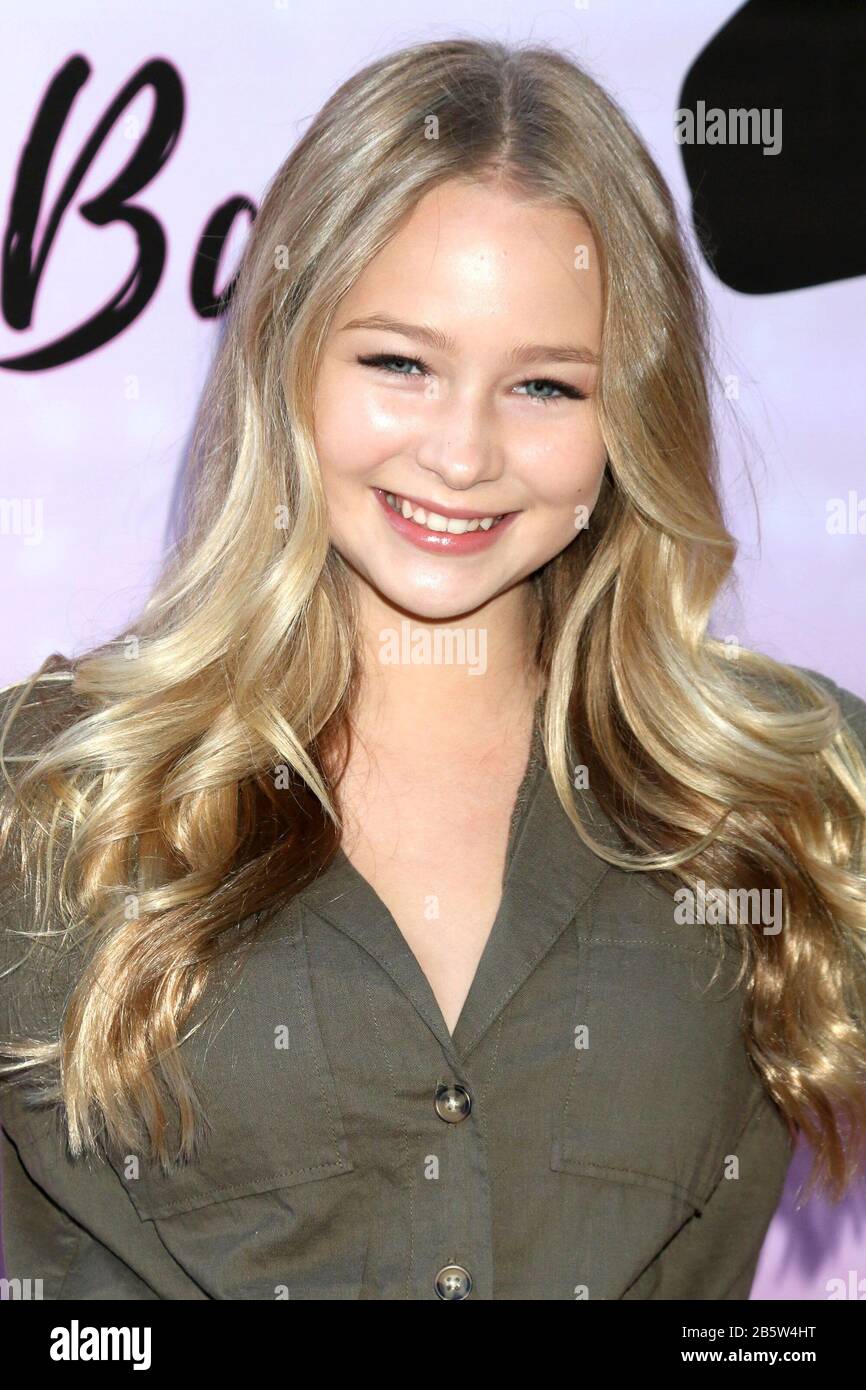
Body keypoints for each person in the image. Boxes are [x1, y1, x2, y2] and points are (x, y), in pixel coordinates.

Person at [1, 36, 865, 1302]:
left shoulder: (797, 785)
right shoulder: (47, 788)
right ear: (288, 357)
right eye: (399, 362)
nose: (461, 453)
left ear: (627, 415)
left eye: (542, 385)